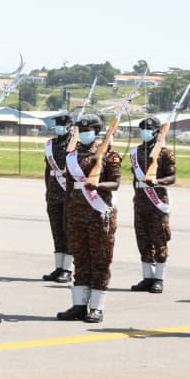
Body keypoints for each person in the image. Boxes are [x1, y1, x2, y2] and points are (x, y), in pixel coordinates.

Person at [57, 113, 121, 324]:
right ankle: (79, 305)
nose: (84, 133)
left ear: (97, 132)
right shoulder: (71, 156)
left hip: (98, 214)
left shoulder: (108, 155)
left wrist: (98, 185)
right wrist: (66, 217)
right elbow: (68, 189)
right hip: (76, 215)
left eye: (88, 130)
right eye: (81, 130)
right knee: (81, 260)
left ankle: (96, 307)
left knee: (100, 261)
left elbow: (115, 183)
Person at [129, 116, 176, 293]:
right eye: (142, 129)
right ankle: (147, 277)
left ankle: (159, 278)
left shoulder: (165, 152)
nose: (145, 132)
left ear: (157, 131)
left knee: (159, 239)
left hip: (157, 201)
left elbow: (172, 177)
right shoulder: (136, 152)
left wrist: (157, 181)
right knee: (142, 239)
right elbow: (135, 178)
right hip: (140, 201)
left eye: (148, 129)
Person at [41, 113, 74, 283]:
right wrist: (47, 190)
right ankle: (58, 267)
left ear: (69, 126)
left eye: (62, 125)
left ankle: (67, 269)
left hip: (69, 194)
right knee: (57, 231)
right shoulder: (51, 144)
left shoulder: (75, 144)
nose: (59, 128)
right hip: (53, 193)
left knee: (68, 231)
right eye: (57, 125)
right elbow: (48, 169)